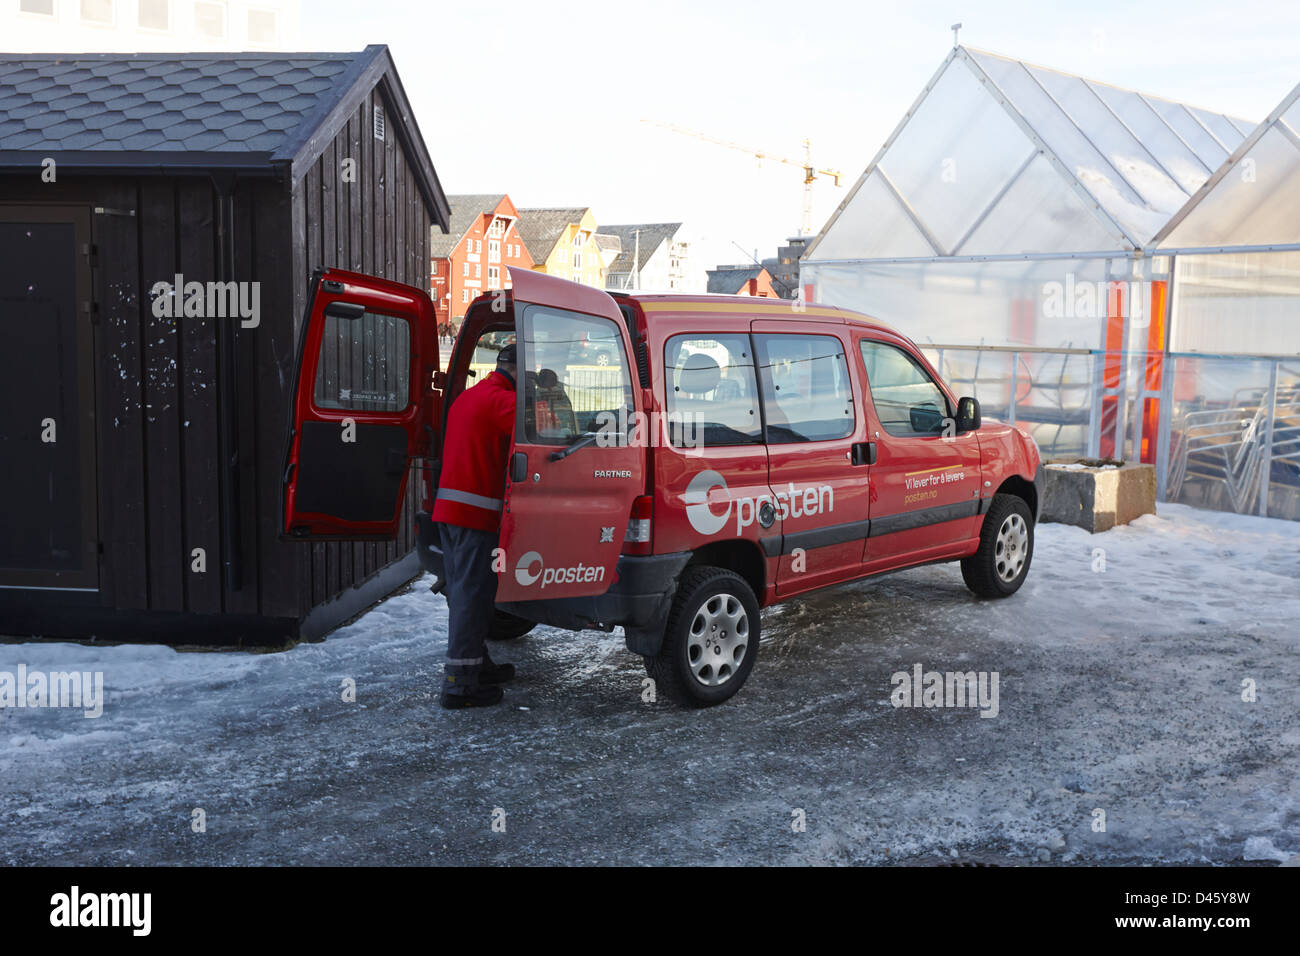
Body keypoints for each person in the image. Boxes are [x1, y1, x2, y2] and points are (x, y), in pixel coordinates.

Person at [433, 343, 519, 709]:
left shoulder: (468, 397)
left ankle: (476, 664)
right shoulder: (503, 402)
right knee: (471, 596)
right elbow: (551, 428)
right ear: (517, 372)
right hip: (474, 516)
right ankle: (459, 686)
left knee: (467, 594)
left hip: (449, 513)